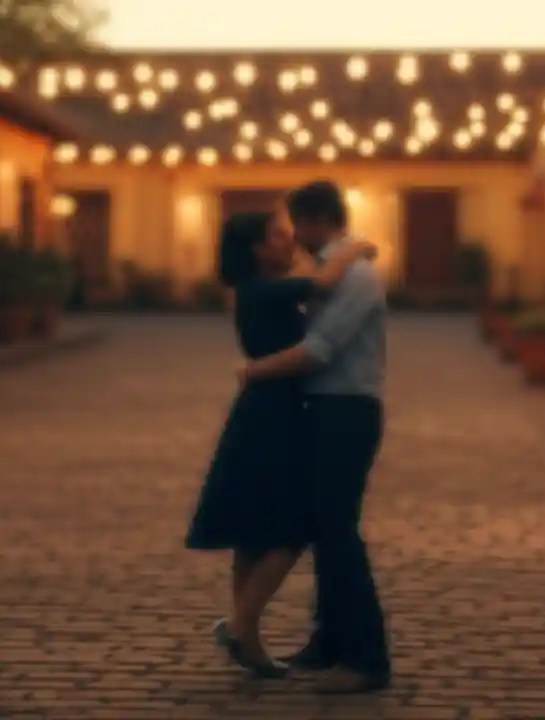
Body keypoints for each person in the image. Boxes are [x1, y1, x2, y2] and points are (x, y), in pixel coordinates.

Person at [185, 206, 376, 678]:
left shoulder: (255, 290)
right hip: (276, 413)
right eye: (275, 235)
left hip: (264, 407)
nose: (287, 241)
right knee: (291, 529)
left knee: (254, 528)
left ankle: (246, 638)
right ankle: (242, 626)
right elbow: (326, 282)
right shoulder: (266, 290)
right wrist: (356, 248)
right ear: (255, 248)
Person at [238, 180, 391, 695]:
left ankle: (366, 658)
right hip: (325, 410)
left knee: (339, 532)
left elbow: (319, 350)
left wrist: (255, 370)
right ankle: (328, 641)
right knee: (326, 529)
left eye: (294, 226)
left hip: (346, 410)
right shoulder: (336, 270)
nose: (292, 238)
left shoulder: (357, 276)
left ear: (313, 221)